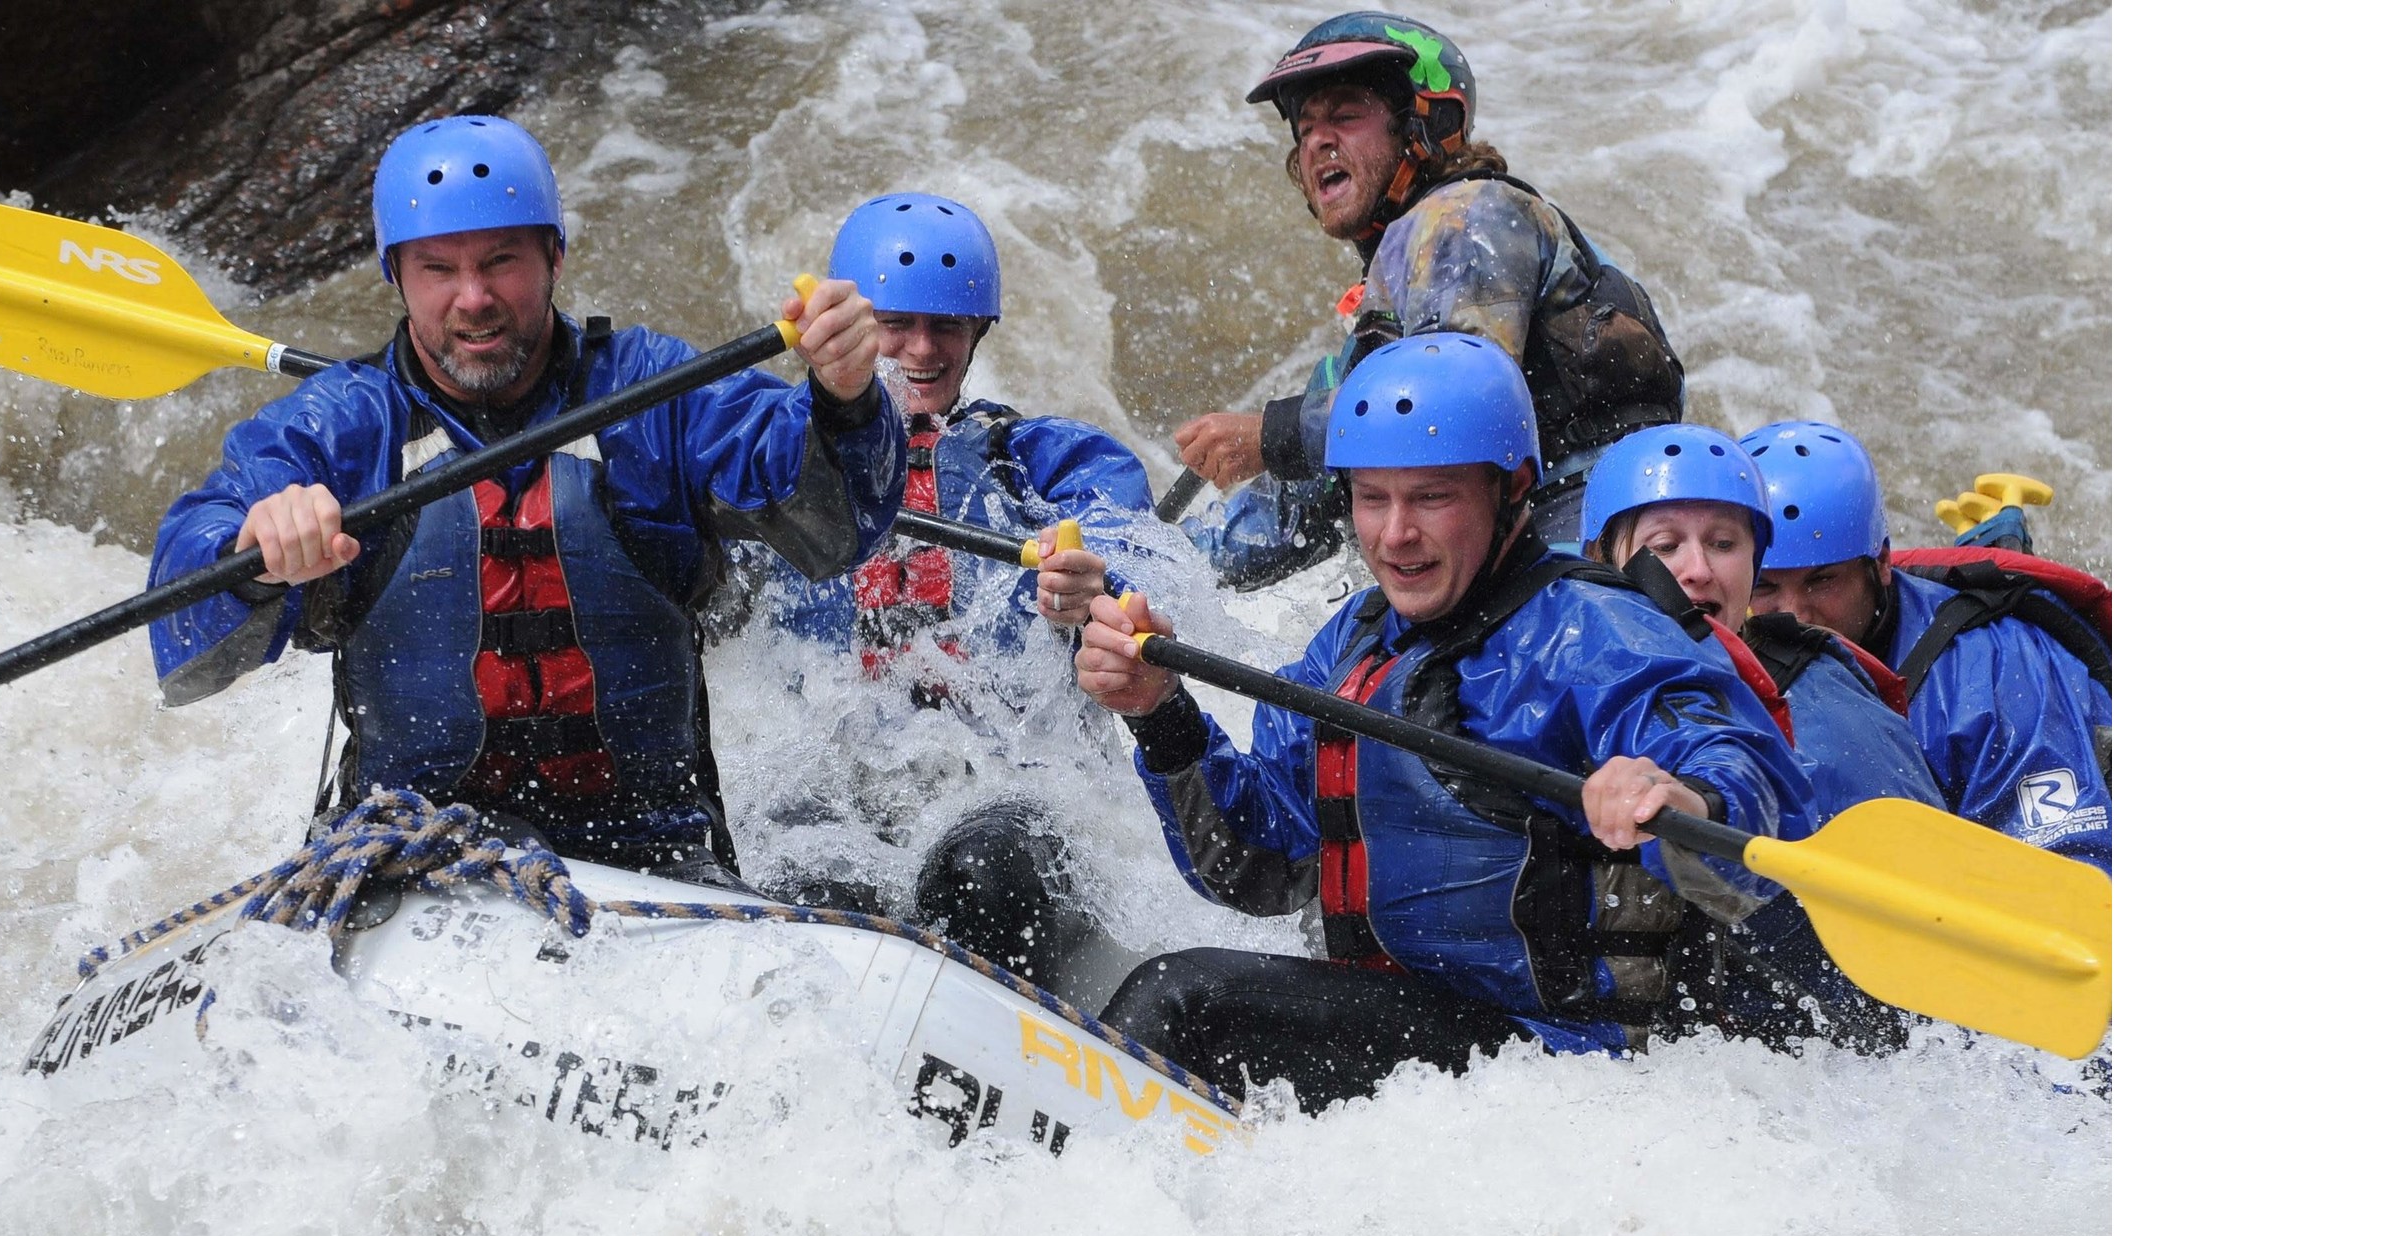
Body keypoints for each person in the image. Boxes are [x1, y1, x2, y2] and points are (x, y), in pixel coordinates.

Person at [147, 115, 903, 888]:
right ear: (395, 276)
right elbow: (185, 634)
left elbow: (836, 527)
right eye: (438, 269)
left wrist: (842, 400)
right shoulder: (342, 424)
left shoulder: (655, 391)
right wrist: (248, 553)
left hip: (649, 860)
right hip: (409, 861)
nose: (473, 298)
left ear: (554, 258)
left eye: (501, 261)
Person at [1071, 333, 1811, 1113]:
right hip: (1409, 1040)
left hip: (1564, 1070)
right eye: (1371, 498)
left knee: (1184, 999)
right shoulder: (1353, 640)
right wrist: (1162, 712)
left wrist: (1675, 795)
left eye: (1431, 497)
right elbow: (1257, 868)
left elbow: (1747, 783)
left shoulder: (1592, 631)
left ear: (1512, 488)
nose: (1395, 535)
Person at [737, 192, 1173, 1006]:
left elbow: (1143, 557)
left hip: (1014, 790)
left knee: (985, 871)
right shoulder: (771, 458)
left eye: (948, 327)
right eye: (895, 325)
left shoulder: (1041, 461)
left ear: (979, 334)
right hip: (842, 776)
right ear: (849, 328)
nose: (921, 349)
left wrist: (1096, 583)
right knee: (786, 872)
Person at [1177, 10, 1687, 589]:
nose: (1319, 141)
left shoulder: (1468, 216)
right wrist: (1152, 565)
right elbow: (1297, 512)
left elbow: (1446, 405)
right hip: (1527, 568)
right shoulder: (1390, 305)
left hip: (1595, 560)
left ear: (1422, 129)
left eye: (1345, 115)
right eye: (1305, 129)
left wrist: (1267, 436)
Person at [1579, 424, 1945, 1048]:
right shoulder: (1552, 660)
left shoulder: (1823, 711)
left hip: (1810, 1056)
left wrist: (1696, 804)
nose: (1696, 571)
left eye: (1723, 544)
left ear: (1753, 565)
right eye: (1666, 546)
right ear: (1599, 562)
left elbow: (1916, 964)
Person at [1741, 421, 2112, 873]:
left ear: (1879, 563)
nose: (1794, 613)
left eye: (1821, 581)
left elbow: (2077, 876)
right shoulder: (1720, 634)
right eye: (1765, 586)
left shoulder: (1995, 675)